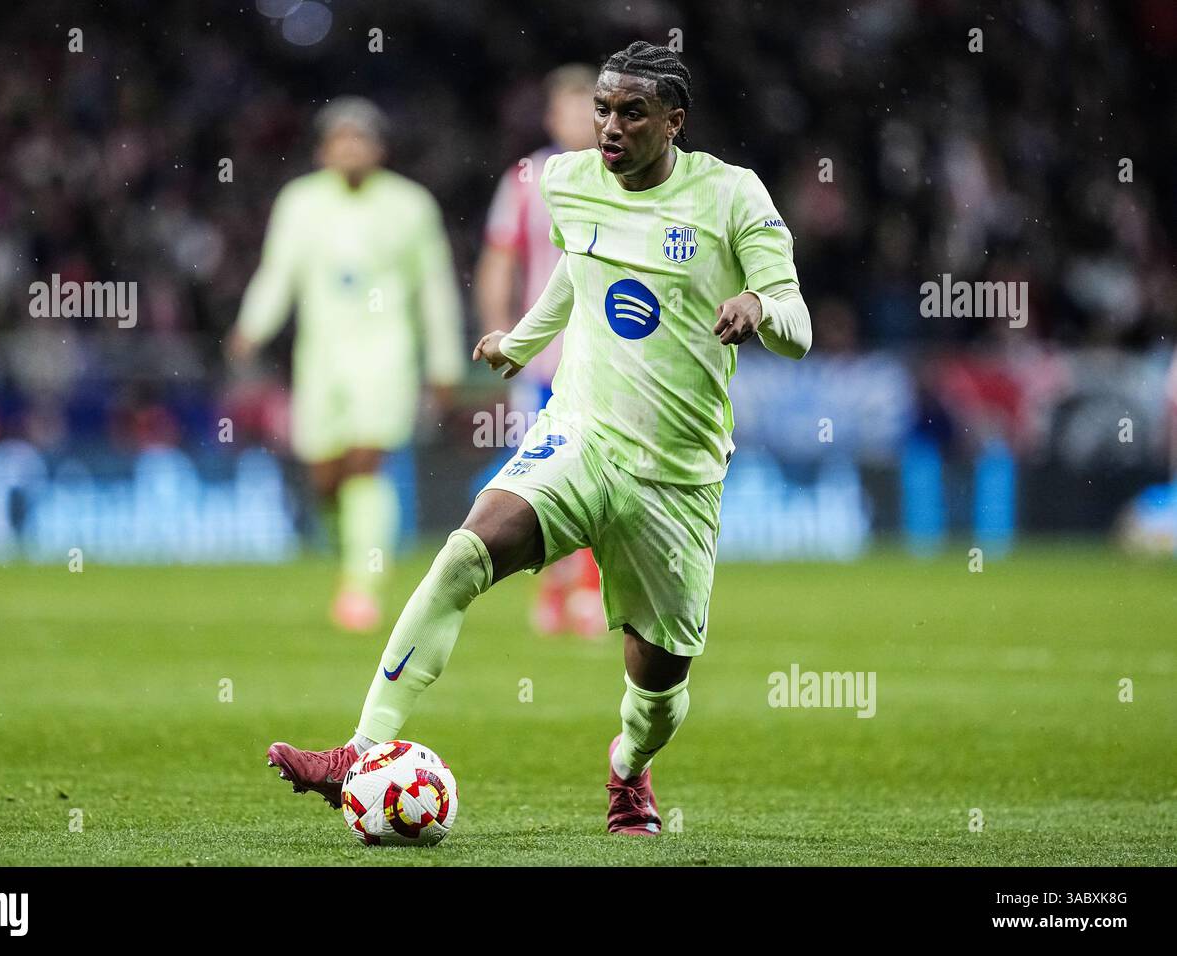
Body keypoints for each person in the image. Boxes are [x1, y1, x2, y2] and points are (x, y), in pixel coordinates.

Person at [267, 41, 811, 835]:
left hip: (678, 475)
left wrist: (759, 309)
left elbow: (795, 320)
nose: (609, 126)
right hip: (582, 432)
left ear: (674, 121)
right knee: (464, 553)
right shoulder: (565, 181)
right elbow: (575, 266)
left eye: (631, 112)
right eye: (602, 108)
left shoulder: (731, 196)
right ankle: (363, 747)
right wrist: (522, 343)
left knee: (658, 686)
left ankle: (628, 770)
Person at [226, 97, 464, 633]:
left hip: (387, 355)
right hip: (322, 358)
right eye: (341, 139)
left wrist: (444, 362)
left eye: (361, 139)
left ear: (378, 148)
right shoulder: (301, 202)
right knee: (326, 475)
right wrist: (250, 328)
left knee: (367, 460)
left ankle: (362, 584)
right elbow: (277, 273)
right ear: (323, 149)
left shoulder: (410, 205)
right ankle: (351, 553)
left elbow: (435, 291)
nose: (351, 148)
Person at [474, 64, 607, 637]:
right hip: (546, 357)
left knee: (606, 473)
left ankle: (588, 589)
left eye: (591, 108)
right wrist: (501, 330)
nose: (581, 119)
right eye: (570, 108)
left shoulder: (626, 173)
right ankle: (560, 587)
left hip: (612, 356)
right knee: (547, 477)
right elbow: (499, 258)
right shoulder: (527, 177)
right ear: (552, 116)